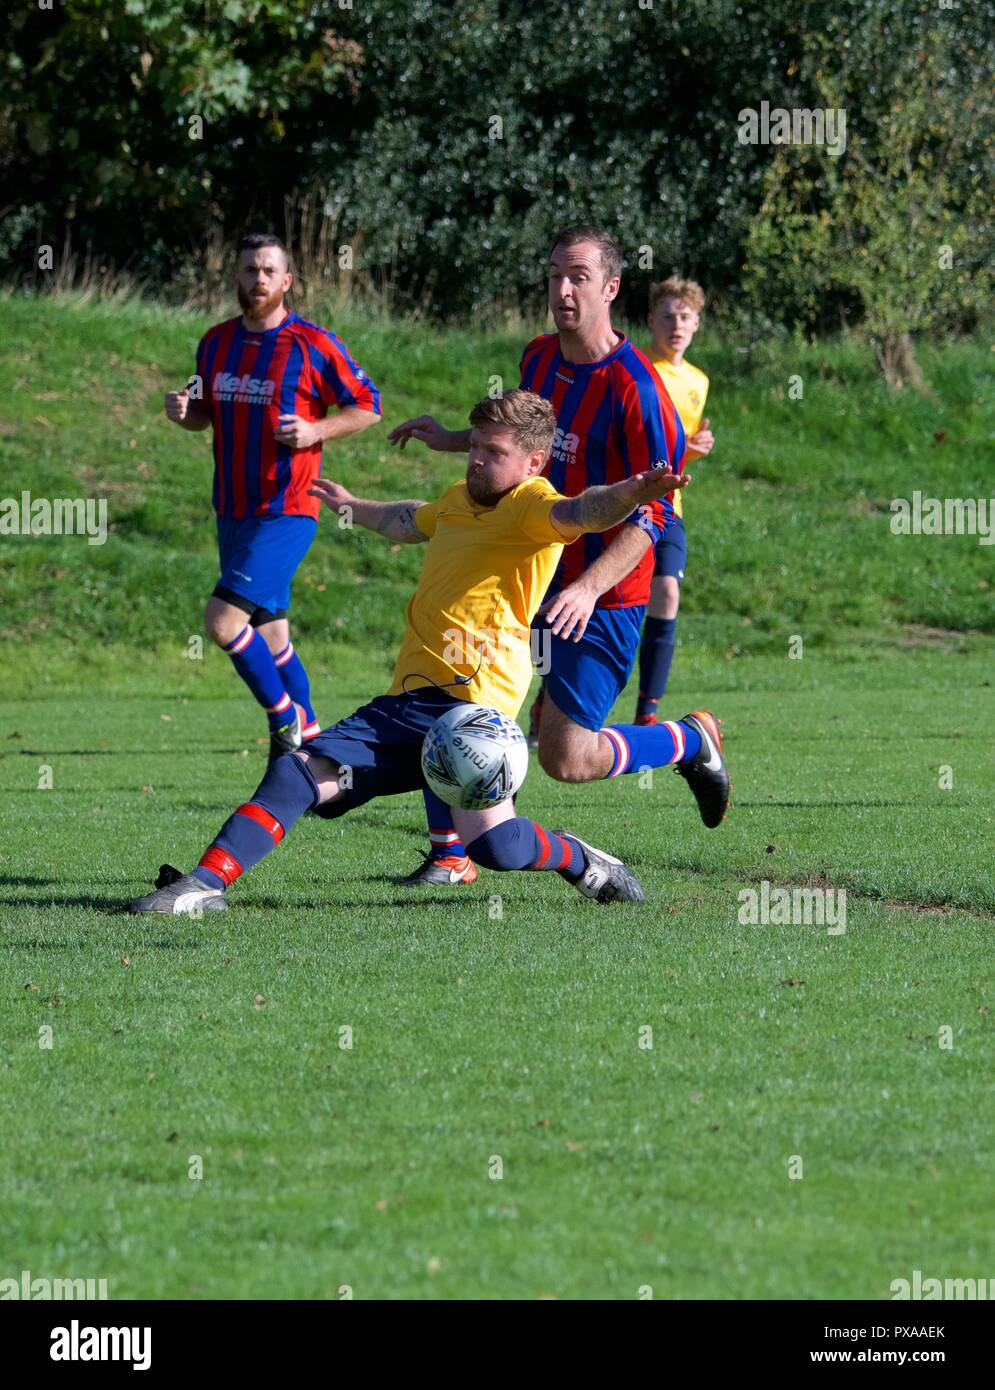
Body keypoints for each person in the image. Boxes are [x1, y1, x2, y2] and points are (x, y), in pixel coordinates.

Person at [123, 391, 722, 916]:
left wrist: (635, 492)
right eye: (476, 447)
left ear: (534, 463)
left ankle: (582, 859)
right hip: (407, 701)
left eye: (494, 452)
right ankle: (204, 886)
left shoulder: (532, 507)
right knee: (300, 774)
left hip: (470, 714)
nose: (478, 458)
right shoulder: (460, 497)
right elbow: (411, 520)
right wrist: (353, 508)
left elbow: (585, 511)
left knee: (499, 849)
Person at [389, 226, 728, 887]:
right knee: (456, 690)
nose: (561, 289)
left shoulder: (640, 391)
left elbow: (652, 516)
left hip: (604, 596)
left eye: (577, 277)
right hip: (531, 572)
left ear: (610, 288)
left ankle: (689, 739)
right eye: (552, 275)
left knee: (567, 758)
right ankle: (452, 853)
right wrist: (452, 440)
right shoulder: (540, 358)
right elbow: (523, 444)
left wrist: (590, 589)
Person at [164, 232, 381, 761]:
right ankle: (309, 742)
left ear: (286, 281)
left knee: (223, 621)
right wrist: (184, 414)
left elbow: (367, 406)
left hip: (287, 509)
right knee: (273, 634)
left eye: (268, 271)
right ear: (235, 277)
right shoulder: (215, 342)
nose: (257, 279)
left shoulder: (313, 343)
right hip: (233, 508)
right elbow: (203, 413)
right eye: (248, 270)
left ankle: (284, 716)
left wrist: (314, 431)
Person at [634, 277, 715, 724]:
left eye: (684, 316)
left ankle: (648, 711)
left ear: (697, 323)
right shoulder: (637, 368)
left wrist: (694, 449)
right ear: (651, 321)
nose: (676, 325)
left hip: (668, 507)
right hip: (623, 502)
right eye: (667, 315)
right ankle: (550, 698)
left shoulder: (699, 381)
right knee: (592, 600)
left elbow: (675, 452)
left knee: (666, 592)